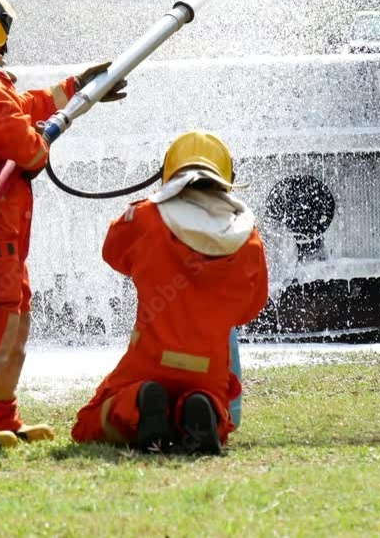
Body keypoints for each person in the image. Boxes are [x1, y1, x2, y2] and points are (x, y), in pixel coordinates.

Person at [0, 0, 128, 445]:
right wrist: (43, 138)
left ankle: (0, 416)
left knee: (15, 316)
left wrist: (74, 89)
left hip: (5, 227)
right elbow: (26, 148)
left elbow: (26, 107)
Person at [71, 131, 269, 454]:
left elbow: (111, 251)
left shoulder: (147, 216)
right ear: (226, 178)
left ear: (169, 174)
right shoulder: (248, 237)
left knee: (91, 422)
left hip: (148, 361)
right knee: (218, 415)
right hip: (209, 369)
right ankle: (198, 403)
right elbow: (251, 306)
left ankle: (141, 401)